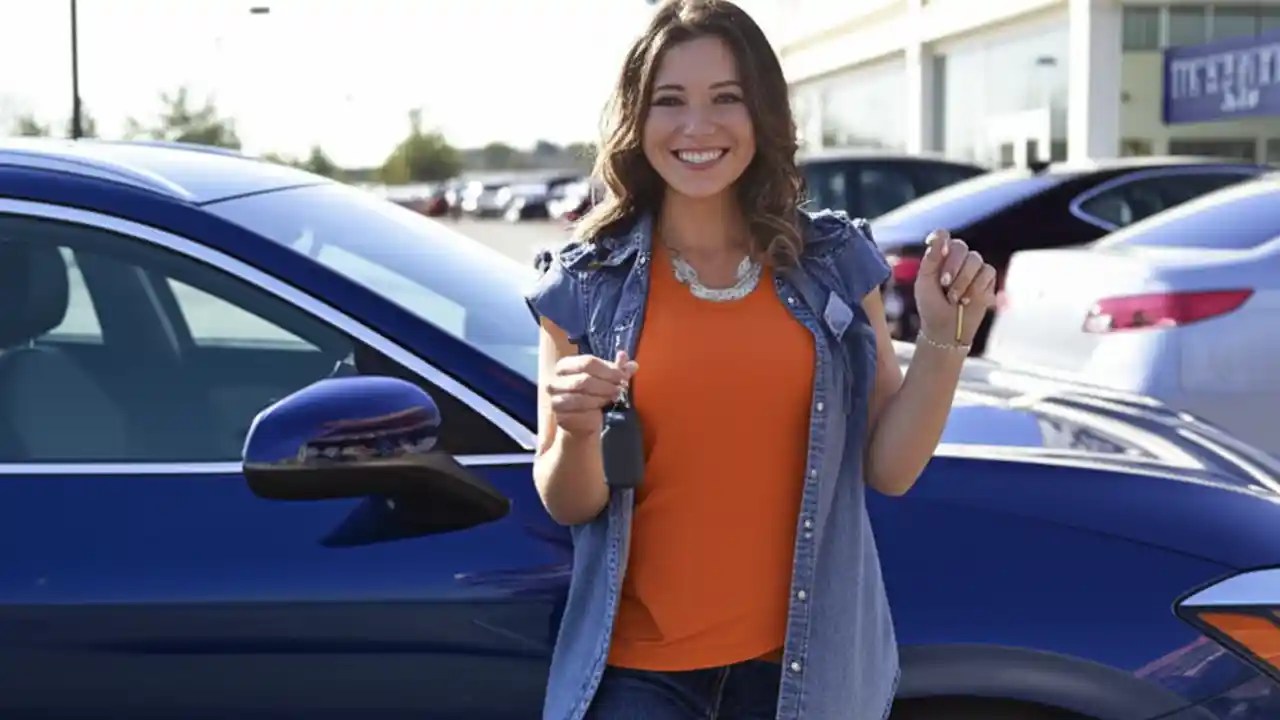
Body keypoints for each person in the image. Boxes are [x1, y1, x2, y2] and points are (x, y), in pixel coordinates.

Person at [524, 1, 997, 718]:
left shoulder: (833, 263)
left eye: (726, 99)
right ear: (637, 120)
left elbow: (891, 470)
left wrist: (945, 337)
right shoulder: (585, 283)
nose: (697, 127)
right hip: (639, 675)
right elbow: (569, 499)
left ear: (763, 115)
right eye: (669, 102)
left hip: (803, 674)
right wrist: (579, 428)